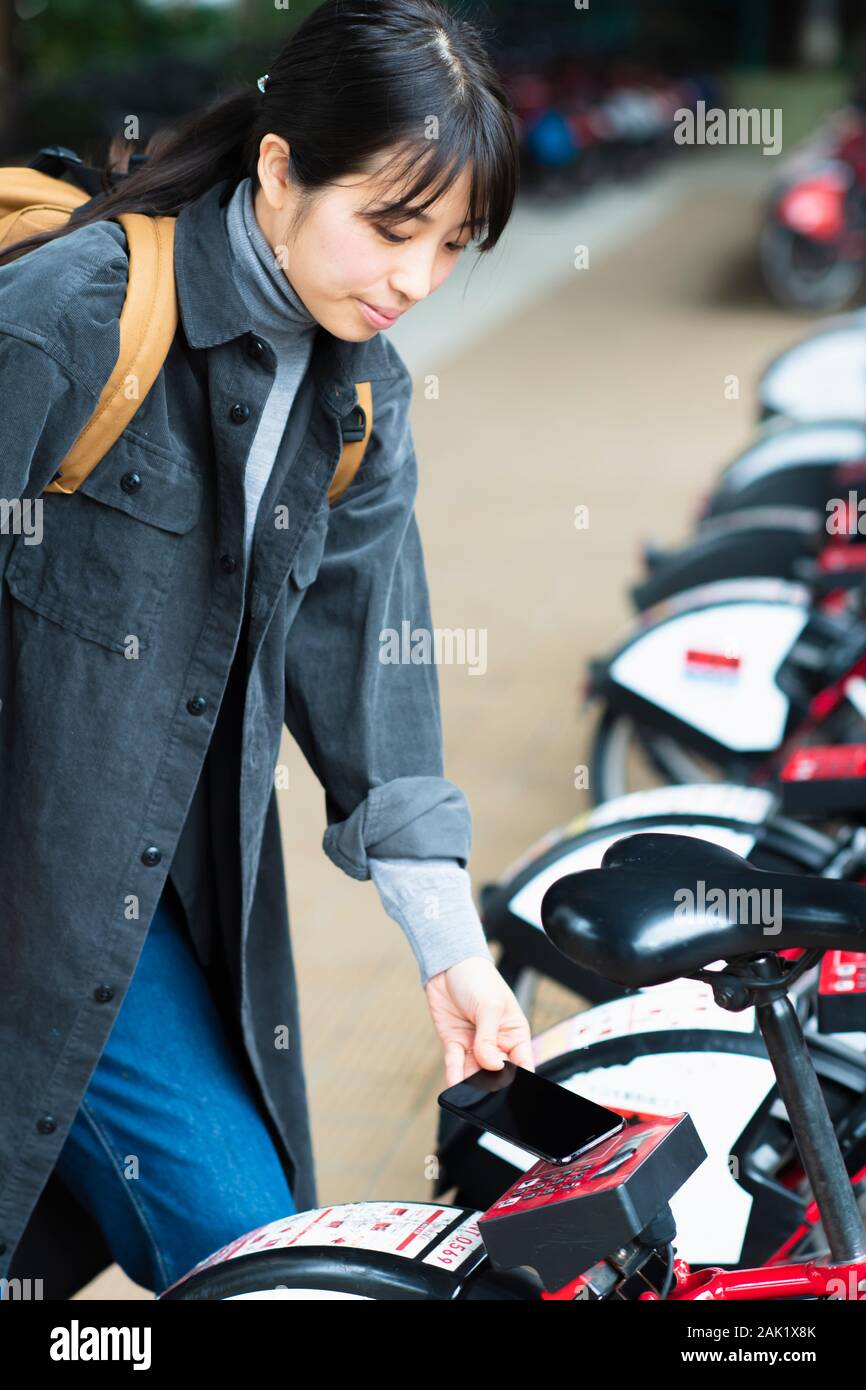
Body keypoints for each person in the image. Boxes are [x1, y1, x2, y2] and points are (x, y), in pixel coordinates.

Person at [0, 0, 534, 1297]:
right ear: (280, 166)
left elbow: (371, 662)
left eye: (451, 246)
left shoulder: (362, 389)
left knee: (270, 1254)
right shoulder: (70, 316)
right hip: (21, 884)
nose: (413, 280)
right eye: (391, 227)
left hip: (132, 915)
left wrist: (447, 946)